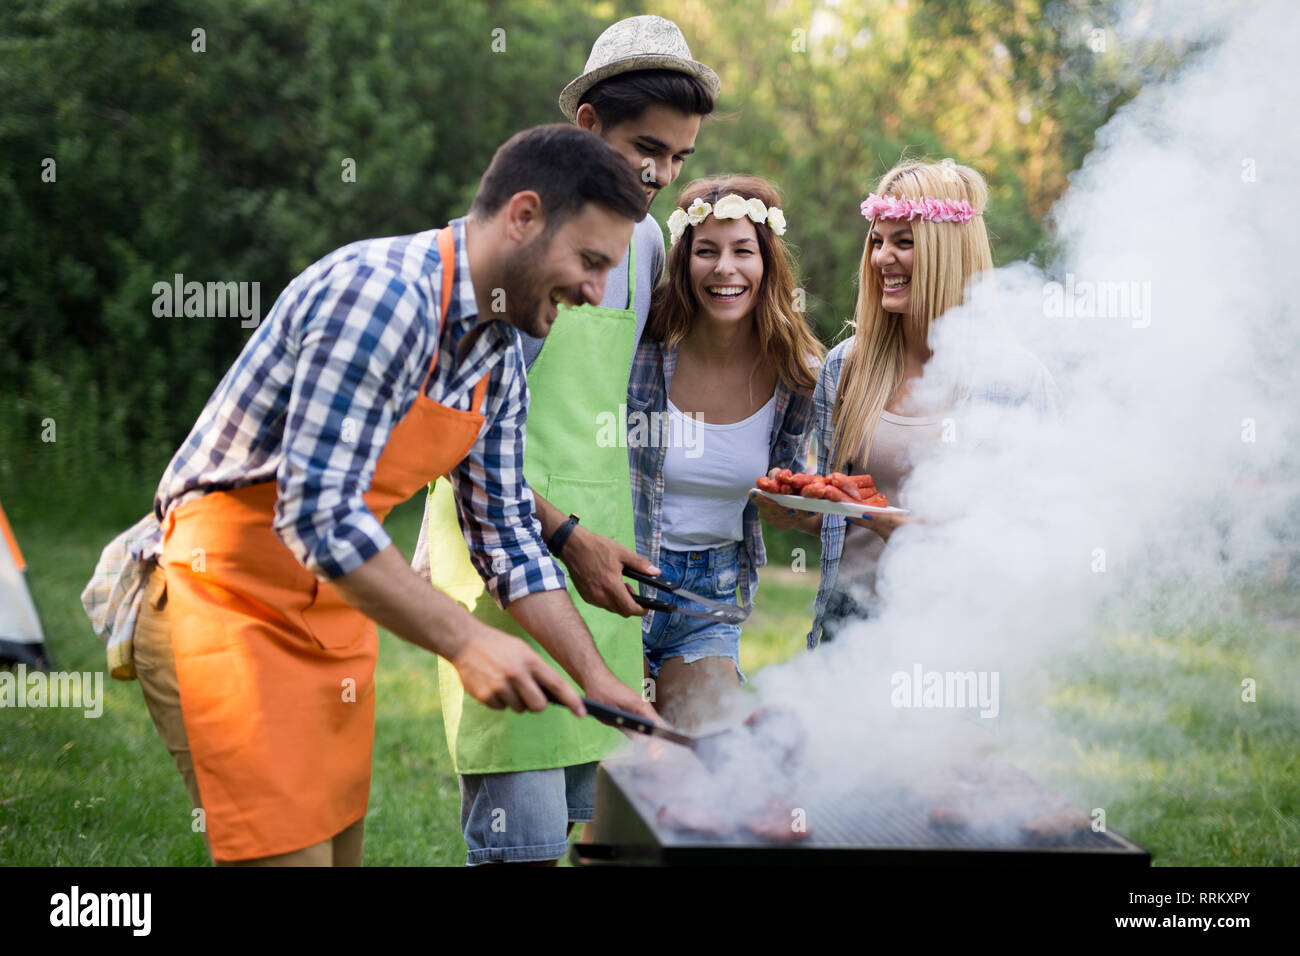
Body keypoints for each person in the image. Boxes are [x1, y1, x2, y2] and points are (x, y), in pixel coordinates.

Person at [126, 124, 658, 866]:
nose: (596, 292)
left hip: (338, 612)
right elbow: (317, 513)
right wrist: (469, 640)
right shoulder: (384, 296)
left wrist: (598, 679)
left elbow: (505, 535)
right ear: (524, 216)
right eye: (590, 261)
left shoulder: (497, 356)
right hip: (227, 598)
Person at [413, 14, 718, 866]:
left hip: (600, 561)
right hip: (505, 556)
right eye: (644, 147)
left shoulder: (648, 239)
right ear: (587, 127)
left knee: (597, 832)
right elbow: (465, 439)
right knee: (522, 840)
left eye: (679, 158)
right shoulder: (516, 251)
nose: (660, 174)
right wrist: (564, 538)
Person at [753, 159, 1059, 649]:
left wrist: (909, 533)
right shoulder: (847, 366)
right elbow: (839, 506)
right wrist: (797, 512)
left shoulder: (1015, 380)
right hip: (849, 622)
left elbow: (1038, 533)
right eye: (877, 241)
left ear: (947, 253)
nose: (882, 259)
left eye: (904, 242)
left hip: (959, 630)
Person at [629, 176, 822, 729]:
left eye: (743, 250)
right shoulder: (641, 354)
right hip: (617, 579)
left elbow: (802, 495)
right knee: (617, 773)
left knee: (705, 760)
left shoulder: (797, 376)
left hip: (708, 594)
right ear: (684, 260)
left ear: (768, 263)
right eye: (706, 251)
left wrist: (801, 513)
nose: (724, 269)